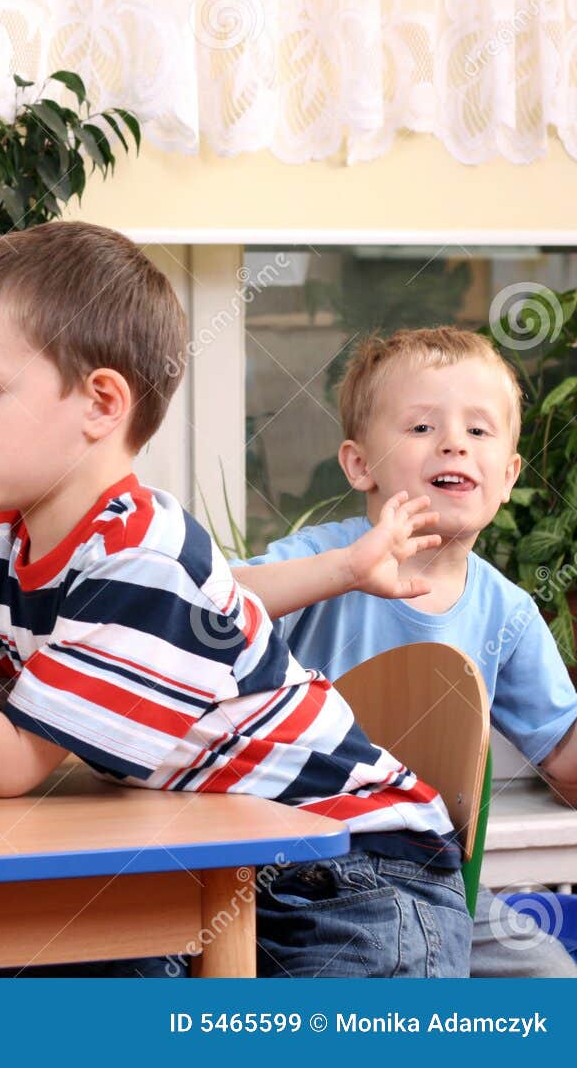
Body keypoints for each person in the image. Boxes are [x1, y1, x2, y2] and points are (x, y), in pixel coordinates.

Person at [0, 221, 471, 976]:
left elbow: (8, 764)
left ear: (101, 403)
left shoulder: (143, 556)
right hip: (202, 864)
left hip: (354, 875)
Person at [233, 326, 577, 977]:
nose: (453, 441)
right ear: (360, 464)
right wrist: (341, 571)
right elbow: (211, 603)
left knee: (551, 981)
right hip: (297, 876)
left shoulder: (508, 611)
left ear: (506, 477)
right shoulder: (322, 560)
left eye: (479, 431)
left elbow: (566, 763)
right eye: (422, 427)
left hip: (431, 879)